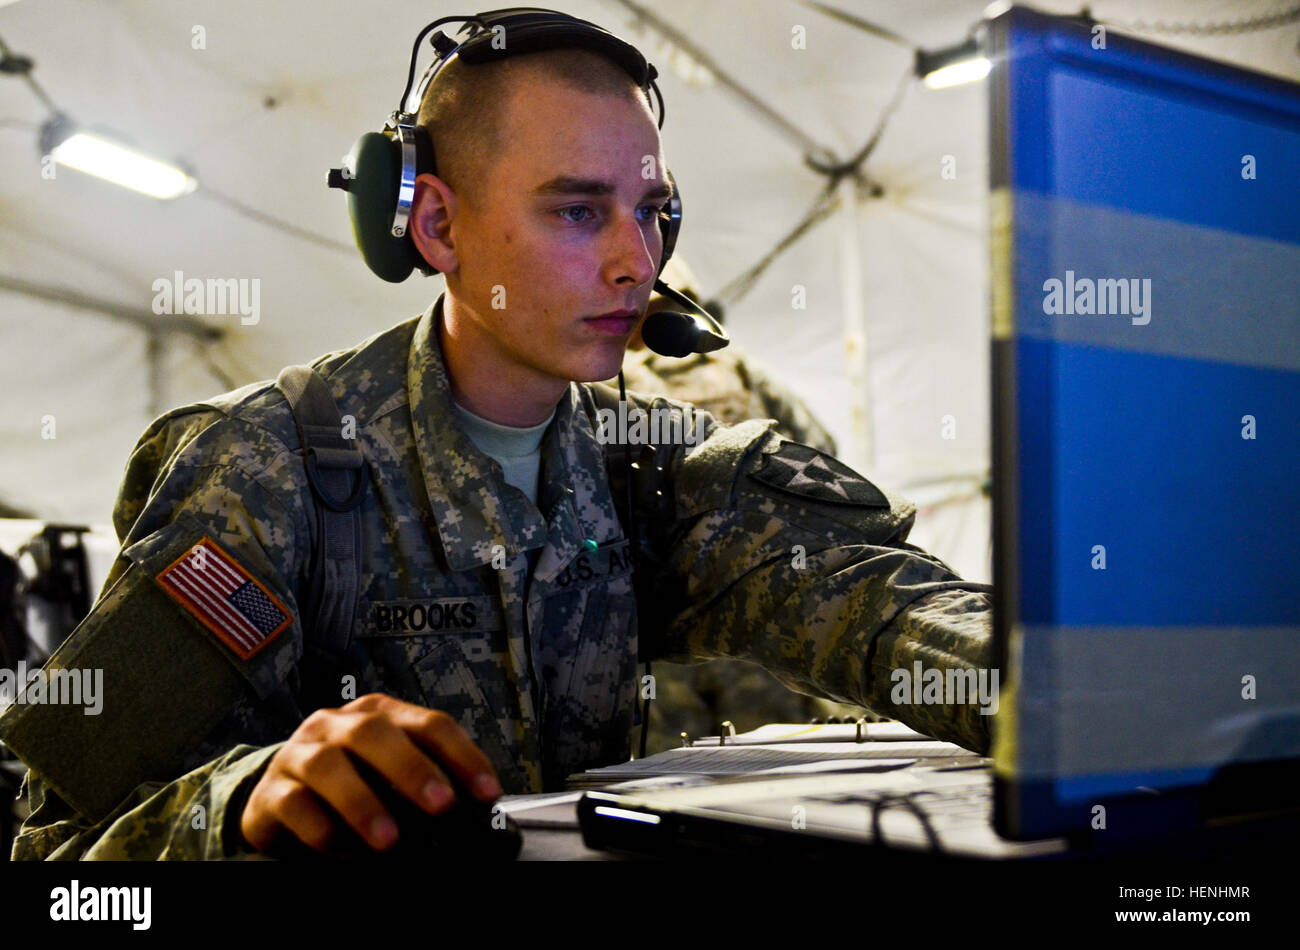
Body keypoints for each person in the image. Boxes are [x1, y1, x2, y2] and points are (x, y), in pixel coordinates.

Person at [0, 32, 993, 861]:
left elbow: (878, 602)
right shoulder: (266, 467)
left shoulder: (647, 466)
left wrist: (1071, 687)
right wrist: (247, 798)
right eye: (575, 210)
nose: (634, 259)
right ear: (434, 222)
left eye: (652, 213)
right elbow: (54, 852)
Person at [613, 259, 873, 751]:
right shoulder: (742, 370)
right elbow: (818, 456)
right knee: (773, 763)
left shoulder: (612, 383)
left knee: (670, 777)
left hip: (665, 623)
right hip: (760, 611)